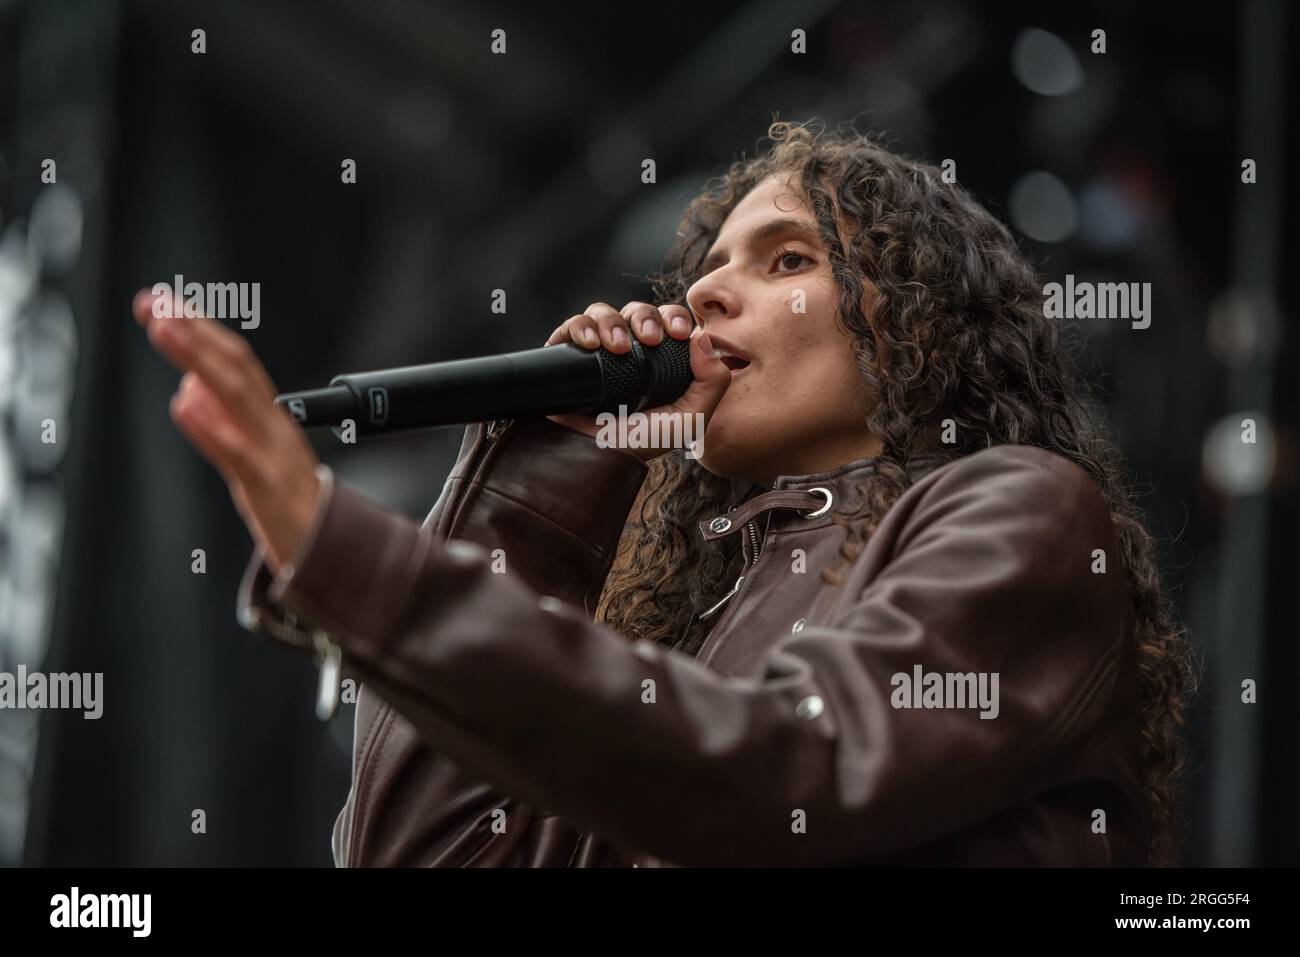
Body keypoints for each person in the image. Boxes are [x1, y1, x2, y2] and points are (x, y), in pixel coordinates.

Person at [132, 119, 1196, 867]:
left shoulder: (1023, 511)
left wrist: (350, 556)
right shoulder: (688, 617)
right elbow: (422, 854)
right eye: (709, 266)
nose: (702, 291)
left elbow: (788, 774)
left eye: (786, 261)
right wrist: (536, 489)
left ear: (919, 322)